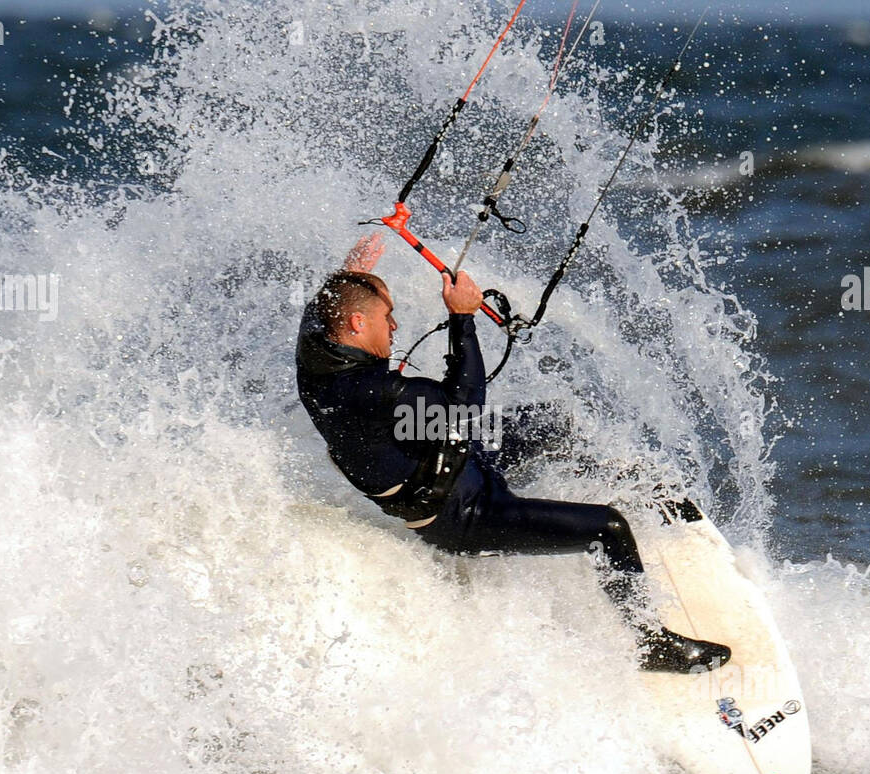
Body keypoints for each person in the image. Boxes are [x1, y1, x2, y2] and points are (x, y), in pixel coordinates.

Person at [295, 234, 731, 674]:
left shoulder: (315, 357)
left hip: (451, 456)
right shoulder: (371, 392)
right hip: (464, 514)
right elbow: (464, 403)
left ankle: (643, 491)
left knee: (552, 423)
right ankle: (650, 644)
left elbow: (321, 311)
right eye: (387, 317)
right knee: (609, 528)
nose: (394, 327)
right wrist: (462, 317)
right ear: (354, 323)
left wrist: (349, 273)